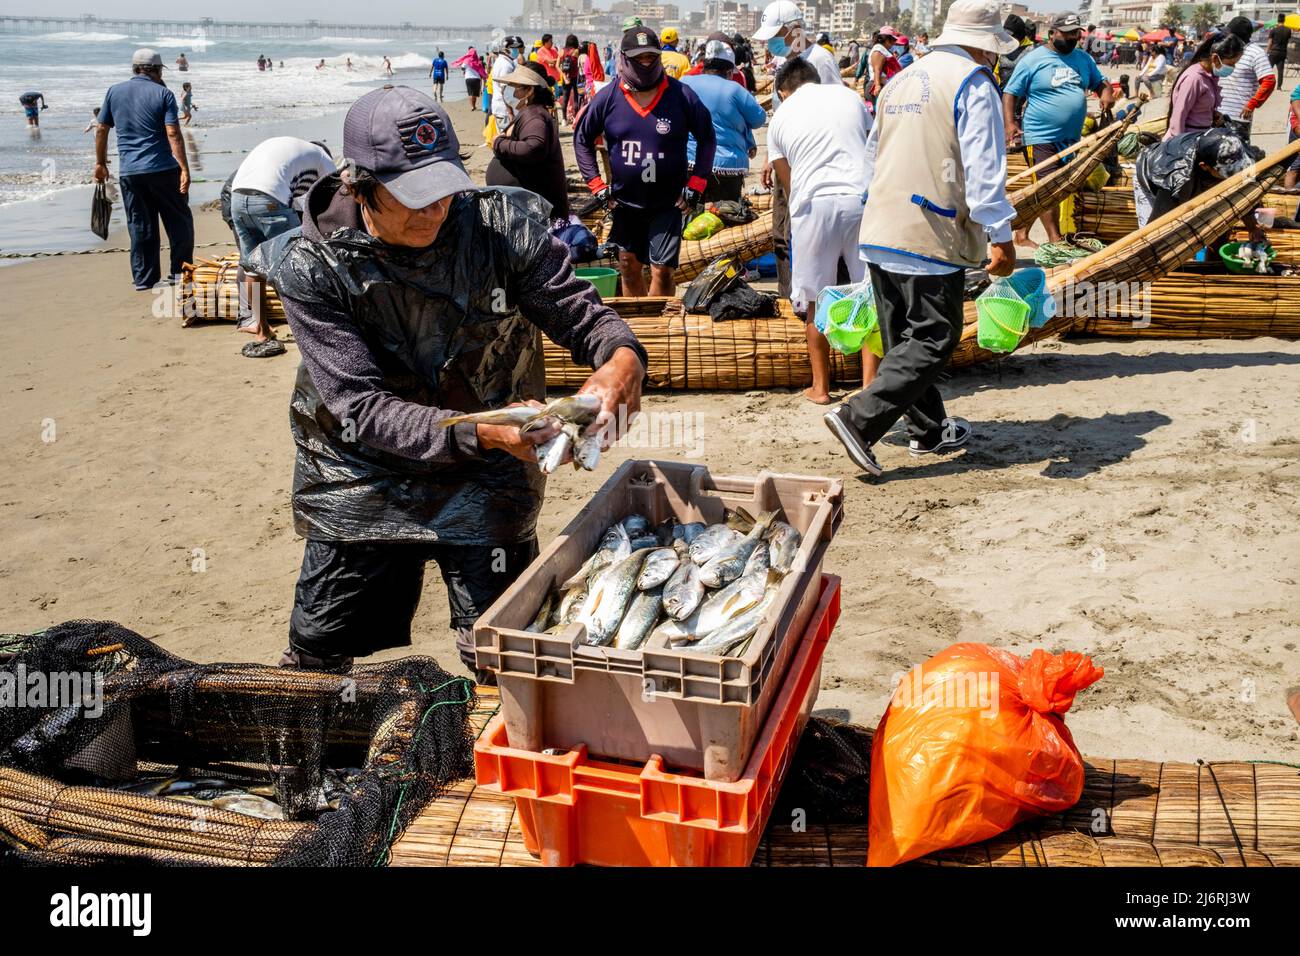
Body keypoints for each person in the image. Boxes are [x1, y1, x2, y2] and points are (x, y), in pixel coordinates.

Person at [250, 86, 647, 675]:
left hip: (487, 470)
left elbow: (580, 314)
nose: (434, 211)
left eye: (442, 191)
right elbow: (360, 406)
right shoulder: (312, 265)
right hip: (361, 470)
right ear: (359, 184)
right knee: (322, 652)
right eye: (412, 197)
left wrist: (619, 360)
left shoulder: (499, 225)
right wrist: (479, 431)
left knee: (503, 646)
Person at [823, 0, 1016, 477]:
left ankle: (929, 431)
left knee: (903, 340)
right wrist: (1001, 233)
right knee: (934, 338)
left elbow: (873, 153)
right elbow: (983, 166)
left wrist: (878, 205)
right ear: (986, 46)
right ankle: (859, 418)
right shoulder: (973, 83)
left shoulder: (901, 78)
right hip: (929, 229)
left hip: (882, 225)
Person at [574, 27, 716, 298]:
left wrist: (696, 186)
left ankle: (660, 330)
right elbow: (582, 139)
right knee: (628, 265)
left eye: (652, 57)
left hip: (668, 202)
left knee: (662, 270)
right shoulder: (608, 97)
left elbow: (707, 139)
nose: (646, 63)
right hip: (624, 202)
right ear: (625, 58)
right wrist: (597, 186)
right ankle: (638, 325)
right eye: (639, 58)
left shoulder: (682, 95)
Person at [766, 58, 873, 404]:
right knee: (869, 295)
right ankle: (871, 386)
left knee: (815, 301)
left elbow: (789, 183)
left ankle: (821, 388)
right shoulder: (850, 98)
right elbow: (873, 149)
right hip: (862, 198)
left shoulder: (780, 116)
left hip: (814, 206)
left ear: (784, 91)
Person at [1002, 12, 1114, 258]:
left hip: (1071, 138)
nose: (1073, 37)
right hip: (1039, 135)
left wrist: (1106, 93)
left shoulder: (1083, 59)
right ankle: (1056, 240)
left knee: (1053, 186)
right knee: (1048, 186)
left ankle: (1022, 233)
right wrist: (1010, 124)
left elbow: (1101, 83)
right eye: (1067, 33)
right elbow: (1010, 93)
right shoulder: (1034, 59)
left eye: (1076, 33)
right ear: (1053, 33)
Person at [754, 1, 843, 303]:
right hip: (786, 161)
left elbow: (836, 113)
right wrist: (770, 156)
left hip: (813, 163)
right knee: (783, 232)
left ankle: (814, 298)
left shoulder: (820, 60)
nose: (771, 43)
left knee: (809, 230)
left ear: (795, 30)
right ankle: (787, 295)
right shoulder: (784, 64)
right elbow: (780, 114)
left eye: (776, 35)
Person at [93, 49, 193, 291]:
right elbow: (172, 133)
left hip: (130, 172)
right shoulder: (163, 93)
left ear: (135, 69)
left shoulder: (113, 92)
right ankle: (179, 273)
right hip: (163, 169)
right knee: (179, 221)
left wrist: (100, 163)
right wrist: (184, 168)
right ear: (157, 70)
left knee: (140, 225)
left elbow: (101, 129)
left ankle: (144, 279)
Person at [229, 136, 334, 358]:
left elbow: (301, 203)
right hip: (269, 198)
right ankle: (306, 329)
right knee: (294, 265)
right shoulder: (323, 158)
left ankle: (262, 332)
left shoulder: (293, 152)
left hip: (236, 198)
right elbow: (333, 198)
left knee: (252, 267)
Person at [1134, 127, 1263, 249]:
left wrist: (1252, 228)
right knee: (1157, 241)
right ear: (1204, 166)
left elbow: (1240, 192)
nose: (1234, 176)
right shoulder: (1177, 179)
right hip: (1152, 173)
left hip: (1191, 172)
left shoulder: (1232, 145)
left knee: (1221, 223)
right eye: (1228, 173)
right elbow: (1156, 228)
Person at [681, 39, 767, 202]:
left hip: (690, 161)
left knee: (689, 215)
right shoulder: (736, 90)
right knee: (724, 218)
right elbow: (759, 119)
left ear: (704, 65)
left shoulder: (685, 82)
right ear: (729, 71)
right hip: (727, 166)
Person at [487, 62, 569, 220]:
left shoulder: (534, 115)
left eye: (516, 87)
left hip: (537, 212)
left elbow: (533, 147)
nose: (513, 92)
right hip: (529, 207)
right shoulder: (531, 112)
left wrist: (499, 143)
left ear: (530, 90)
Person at [1165, 32, 1244, 139]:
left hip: (1201, 137)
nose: (1233, 67)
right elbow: (1178, 116)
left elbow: (1197, 108)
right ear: (1215, 58)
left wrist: (1212, 113)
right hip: (1186, 140)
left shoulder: (1209, 76)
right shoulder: (1194, 78)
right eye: (1230, 64)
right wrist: (1180, 146)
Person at [1220, 16, 1277, 145]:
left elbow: (1269, 81)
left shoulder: (1256, 53)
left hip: (1238, 116)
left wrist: (1252, 104)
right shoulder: (1227, 49)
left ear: (1236, 35)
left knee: (1237, 155)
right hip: (1218, 113)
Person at [492, 36, 524, 129]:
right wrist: (510, 112)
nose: (517, 50)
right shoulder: (506, 66)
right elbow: (504, 90)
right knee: (507, 138)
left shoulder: (504, 61)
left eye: (517, 48)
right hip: (504, 110)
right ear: (506, 49)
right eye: (514, 48)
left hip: (503, 107)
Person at [558, 34, 582, 123]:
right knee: (576, 97)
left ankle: (564, 119)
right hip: (575, 77)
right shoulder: (576, 51)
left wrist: (564, 76)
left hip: (566, 78)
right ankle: (576, 118)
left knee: (565, 98)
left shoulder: (561, 51)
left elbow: (557, 66)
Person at [1269, 16, 1292, 84]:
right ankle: (1279, 86)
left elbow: (1270, 42)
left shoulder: (1273, 30)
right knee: (1280, 71)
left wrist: (1267, 51)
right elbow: (1288, 41)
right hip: (1282, 53)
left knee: (1268, 70)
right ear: (1284, 20)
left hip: (1273, 52)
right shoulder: (1288, 30)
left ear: (1277, 20)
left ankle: (1266, 83)